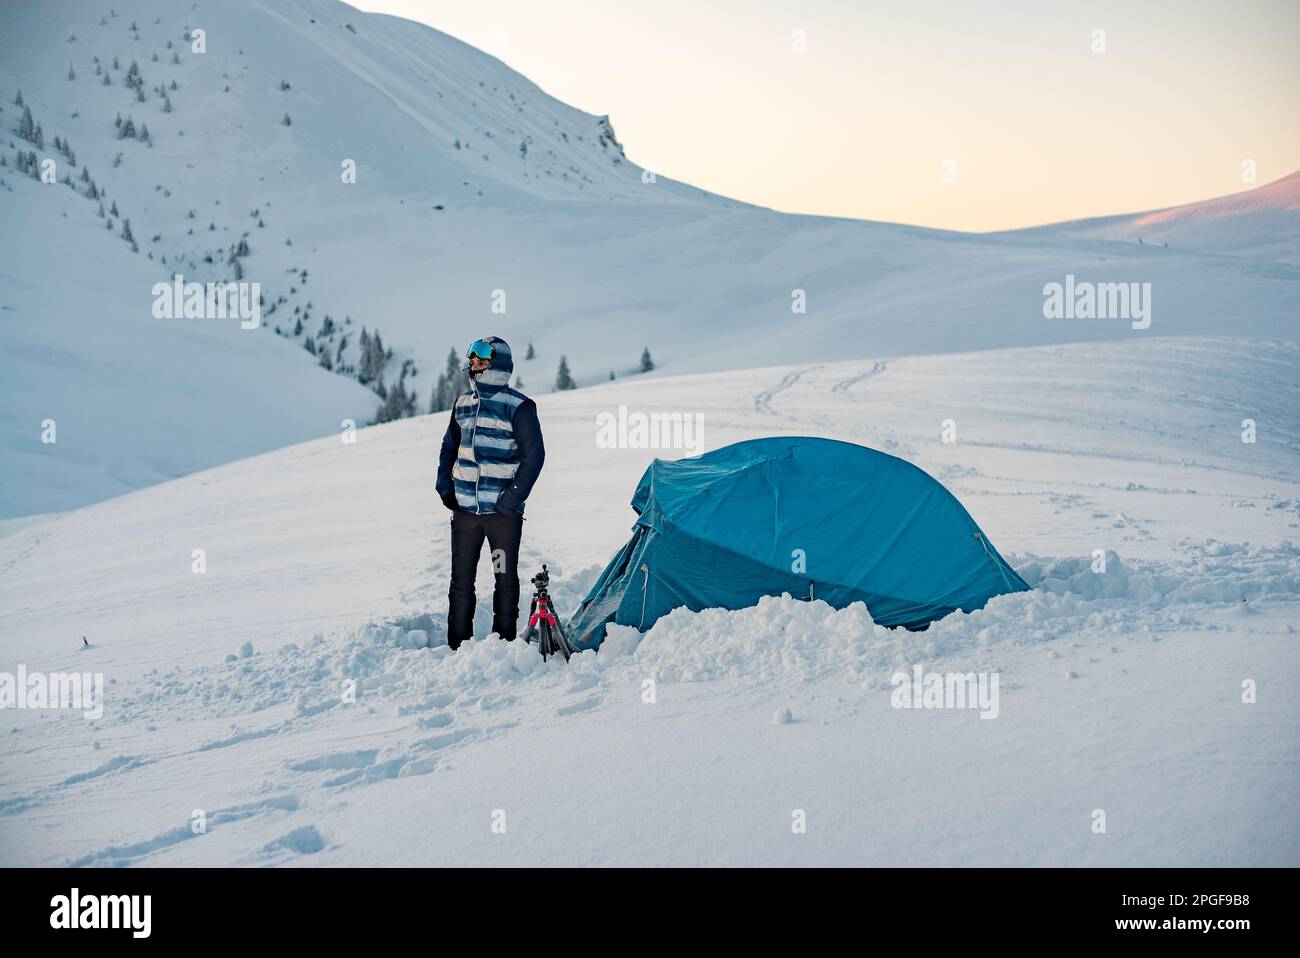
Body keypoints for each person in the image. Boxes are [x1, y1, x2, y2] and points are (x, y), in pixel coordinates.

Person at [436, 337, 545, 650]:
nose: (473, 363)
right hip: (466, 514)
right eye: (471, 358)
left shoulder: (519, 406)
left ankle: (504, 642)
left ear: (498, 364)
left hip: (502, 517)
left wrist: (510, 500)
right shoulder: (463, 404)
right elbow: (448, 448)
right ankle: (457, 645)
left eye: (481, 359)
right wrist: (445, 487)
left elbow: (534, 457)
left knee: (503, 576)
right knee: (461, 581)